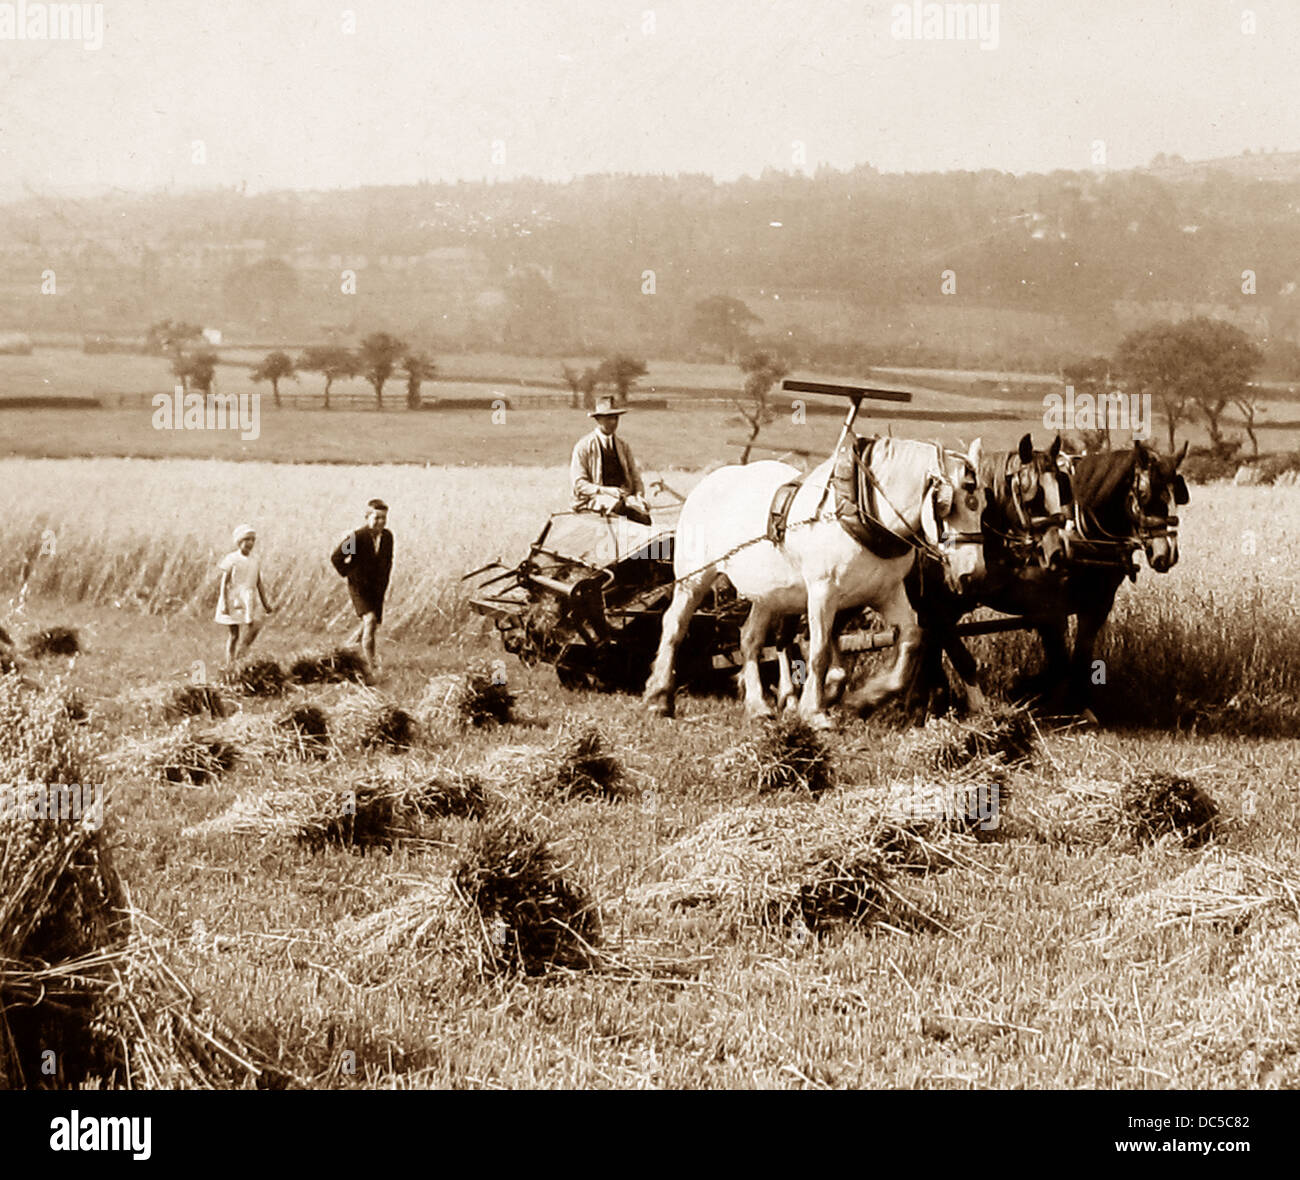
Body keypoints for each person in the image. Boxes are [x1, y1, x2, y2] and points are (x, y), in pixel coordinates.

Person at [330, 498, 393, 675]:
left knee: (370, 625)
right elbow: (337, 558)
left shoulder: (387, 537)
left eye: (384, 518)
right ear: (367, 517)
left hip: (377, 588)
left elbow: (388, 561)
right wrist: (351, 574)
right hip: (359, 587)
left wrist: (383, 583)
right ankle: (372, 666)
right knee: (370, 620)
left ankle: (346, 651)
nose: (380, 522)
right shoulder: (356, 537)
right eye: (377, 517)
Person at [570, 396, 651, 524]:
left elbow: (635, 478)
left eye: (615, 418)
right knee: (621, 511)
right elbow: (579, 484)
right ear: (597, 419)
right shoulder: (583, 446)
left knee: (644, 518)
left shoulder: (623, 446)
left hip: (624, 499)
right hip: (593, 500)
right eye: (608, 418)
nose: (613, 422)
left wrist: (639, 497)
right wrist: (605, 490)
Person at [215, 524, 275, 666]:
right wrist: (223, 601)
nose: (250, 543)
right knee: (234, 634)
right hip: (233, 599)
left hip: (247, 598)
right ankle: (230, 663)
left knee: (253, 627)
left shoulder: (255, 560)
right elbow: (224, 582)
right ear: (239, 541)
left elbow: (258, 582)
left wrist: (265, 603)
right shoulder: (232, 559)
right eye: (247, 539)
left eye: (253, 540)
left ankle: (241, 656)